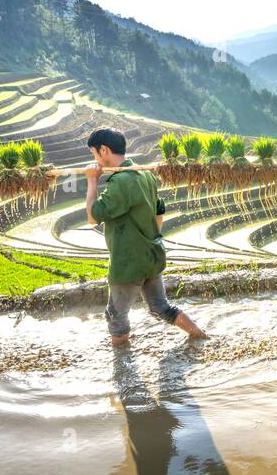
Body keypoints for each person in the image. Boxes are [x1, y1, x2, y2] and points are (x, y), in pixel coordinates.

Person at [84, 128, 206, 346]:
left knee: (115, 316)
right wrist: (148, 238)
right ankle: (200, 336)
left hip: (128, 261)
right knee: (161, 308)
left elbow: (93, 218)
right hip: (150, 255)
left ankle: (122, 368)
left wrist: (92, 181)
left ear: (104, 150)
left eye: (94, 154)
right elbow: (159, 213)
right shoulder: (145, 174)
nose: (95, 160)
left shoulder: (121, 182)